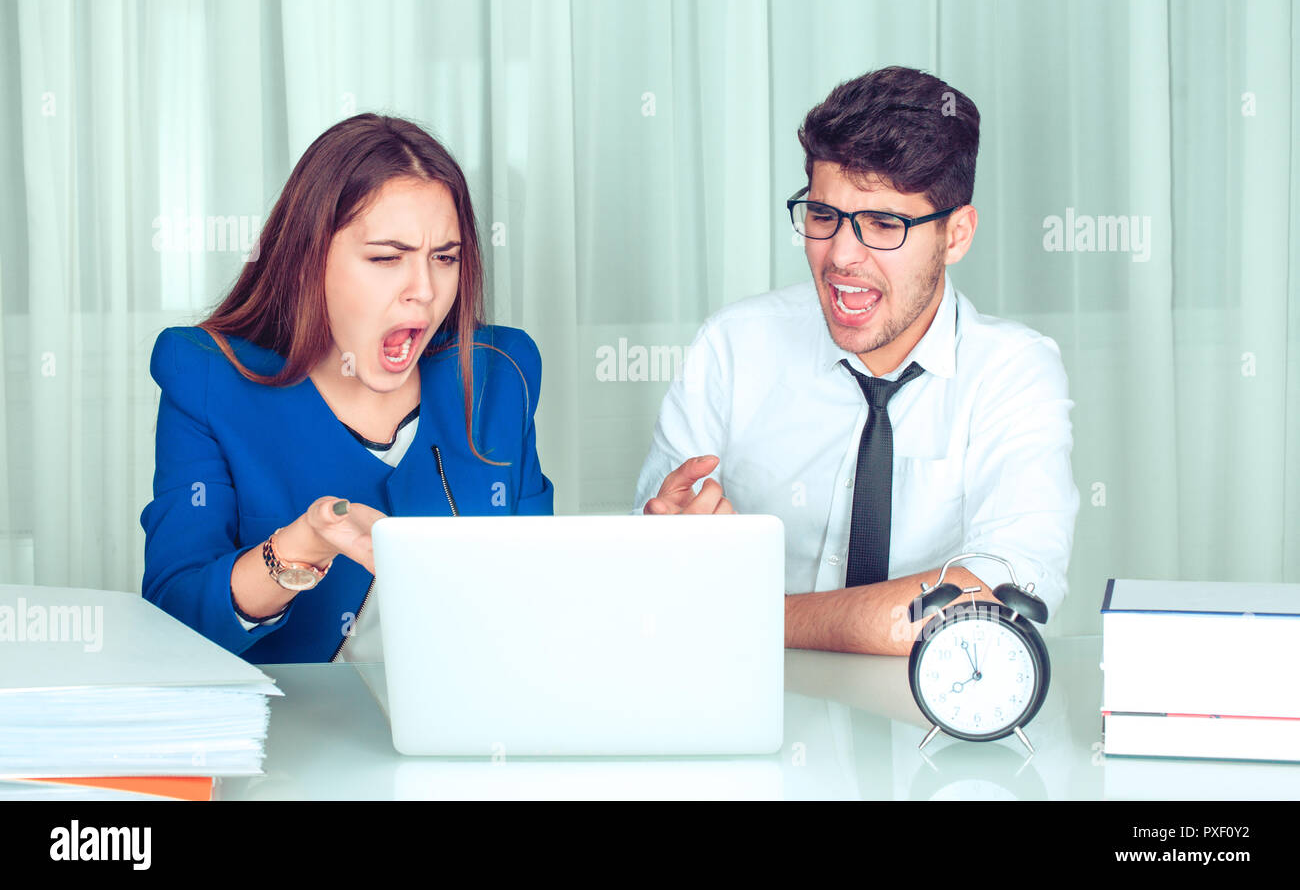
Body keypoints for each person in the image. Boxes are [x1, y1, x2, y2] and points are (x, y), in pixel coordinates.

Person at [634, 66, 1078, 655]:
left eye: (882, 224)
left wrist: (746, 611)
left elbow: (994, 602)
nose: (841, 255)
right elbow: (649, 578)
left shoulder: (1013, 374)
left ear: (956, 235)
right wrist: (664, 542)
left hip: (932, 723)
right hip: (752, 704)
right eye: (823, 216)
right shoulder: (732, 347)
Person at [140, 114, 552, 664]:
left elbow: (544, 596)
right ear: (310, 259)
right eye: (387, 258)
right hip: (294, 741)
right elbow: (175, 623)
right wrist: (295, 550)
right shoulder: (206, 376)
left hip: (470, 735)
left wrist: (659, 550)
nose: (425, 291)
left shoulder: (501, 373)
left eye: (445, 258)